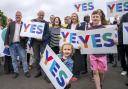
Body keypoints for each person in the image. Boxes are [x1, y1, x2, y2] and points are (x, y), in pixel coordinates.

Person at [4, 11, 30, 78]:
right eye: (16, 15)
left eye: (19, 15)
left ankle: (26, 71)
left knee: (24, 58)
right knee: (14, 59)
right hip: (12, 45)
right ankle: (16, 72)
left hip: (21, 44)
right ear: (15, 16)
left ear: (21, 16)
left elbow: (27, 36)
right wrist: (6, 43)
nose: (17, 16)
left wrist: (25, 38)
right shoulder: (11, 24)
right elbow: (7, 34)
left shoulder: (24, 25)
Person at [87, 10, 108, 89]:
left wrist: (114, 42)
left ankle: (100, 83)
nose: (95, 18)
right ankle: (98, 87)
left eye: (97, 16)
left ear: (100, 17)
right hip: (93, 55)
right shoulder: (88, 29)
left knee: (101, 72)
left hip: (102, 55)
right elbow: (85, 41)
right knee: (95, 72)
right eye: (93, 16)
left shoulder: (104, 28)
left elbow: (111, 40)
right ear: (91, 18)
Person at [67, 13, 87, 81]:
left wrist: (81, 44)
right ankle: (72, 73)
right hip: (70, 46)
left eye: (74, 16)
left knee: (77, 60)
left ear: (77, 17)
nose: (73, 17)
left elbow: (83, 35)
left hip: (78, 46)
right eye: (72, 16)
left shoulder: (80, 25)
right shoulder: (69, 25)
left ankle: (76, 74)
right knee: (71, 59)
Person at [30, 10, 50, 78]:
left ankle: (44, 73)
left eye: (42, 15)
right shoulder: (32, 21)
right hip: (35, 43)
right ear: (37, 14)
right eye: (40, 15)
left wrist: (42, 38)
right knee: (36, 58)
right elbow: (28, 31)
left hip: (43, 42)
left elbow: (48, 34)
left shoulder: (46, 23)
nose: (41, 16)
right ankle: (38, 71)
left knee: (44, 58)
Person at [118, 12, 128, 86]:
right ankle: (124, 69)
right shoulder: (124, 16)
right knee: (122, 57)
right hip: (122, 43)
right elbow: (120, 30)